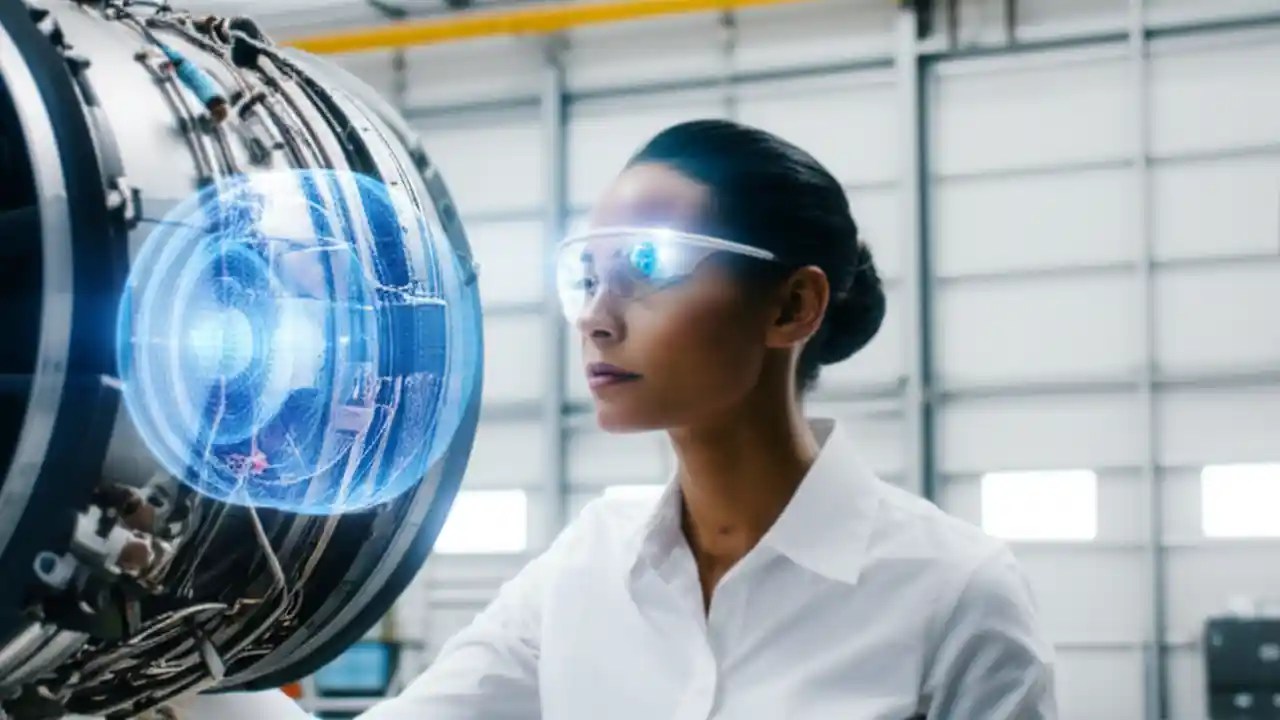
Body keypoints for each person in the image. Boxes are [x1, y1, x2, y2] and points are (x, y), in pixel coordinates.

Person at [181, 119, 1056, 719]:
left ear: (791, 306)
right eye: (586, 274)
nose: (599, 315)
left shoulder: (952, 594)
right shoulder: (585, 571)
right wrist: (153, 639)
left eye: (650, 264)